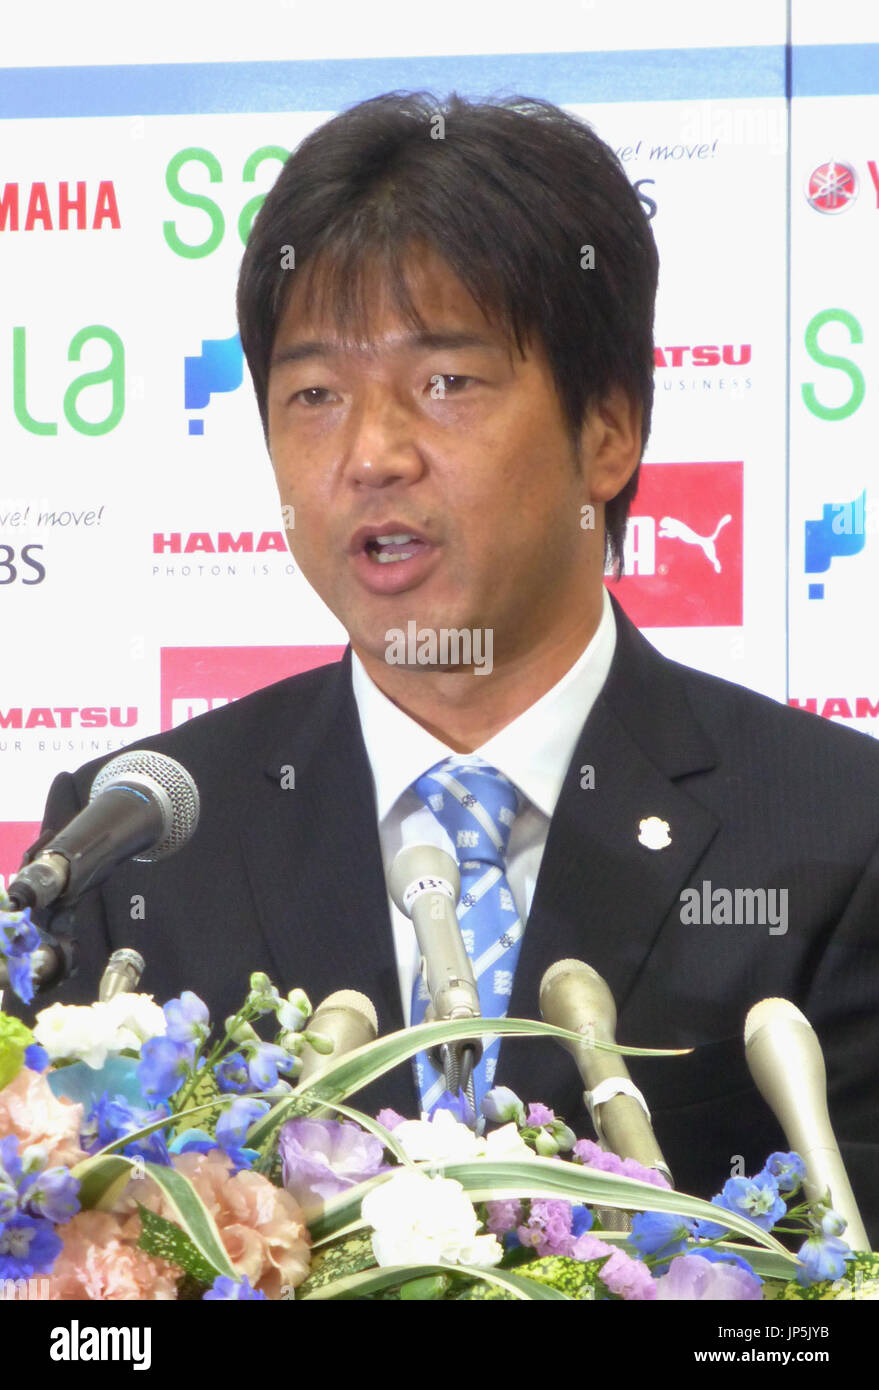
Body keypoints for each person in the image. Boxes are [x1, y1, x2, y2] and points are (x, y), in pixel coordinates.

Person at [19, 92, 879, 1241]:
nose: (372, 454)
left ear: (609, 429)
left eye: (445, 384)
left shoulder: (840, 836)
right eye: (315, 394)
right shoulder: (138, 839)